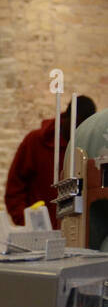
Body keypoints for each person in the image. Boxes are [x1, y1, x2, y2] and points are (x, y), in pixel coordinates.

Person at [6, 96, 96, 228]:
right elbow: (15, 188)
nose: (78, 131)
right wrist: (27, 221)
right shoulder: (35, 141)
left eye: (83, 128)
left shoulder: (87, 148)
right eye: (76, 125)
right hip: (37, 233)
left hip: (73, 232)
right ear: (67, 117)